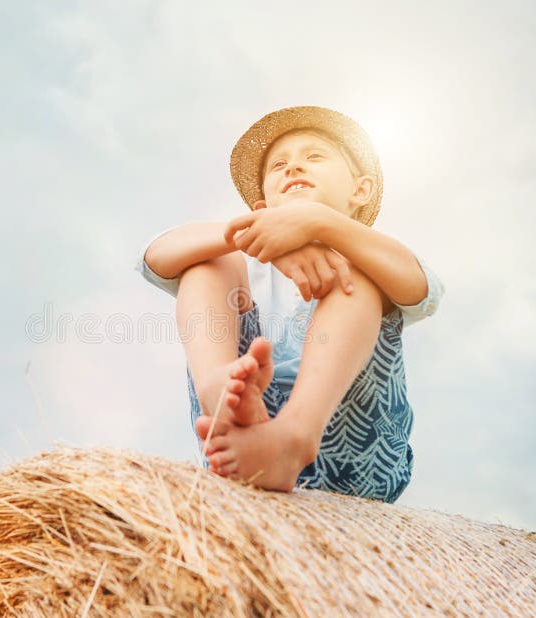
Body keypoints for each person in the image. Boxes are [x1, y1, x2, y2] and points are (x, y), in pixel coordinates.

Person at [133, 105, 445, 502]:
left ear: (360, 191)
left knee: (359, 270)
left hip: (355, 454)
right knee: (207, 262)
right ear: (262, 208)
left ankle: (296, 434)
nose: (294, 168)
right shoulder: (244, 266)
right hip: (240, 434)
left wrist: (318, 224)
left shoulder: (374, 255)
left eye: (314, 157)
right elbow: (156, 256)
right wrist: (253, 239)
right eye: (278, 165)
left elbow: (418, 287)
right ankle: (219, 388)